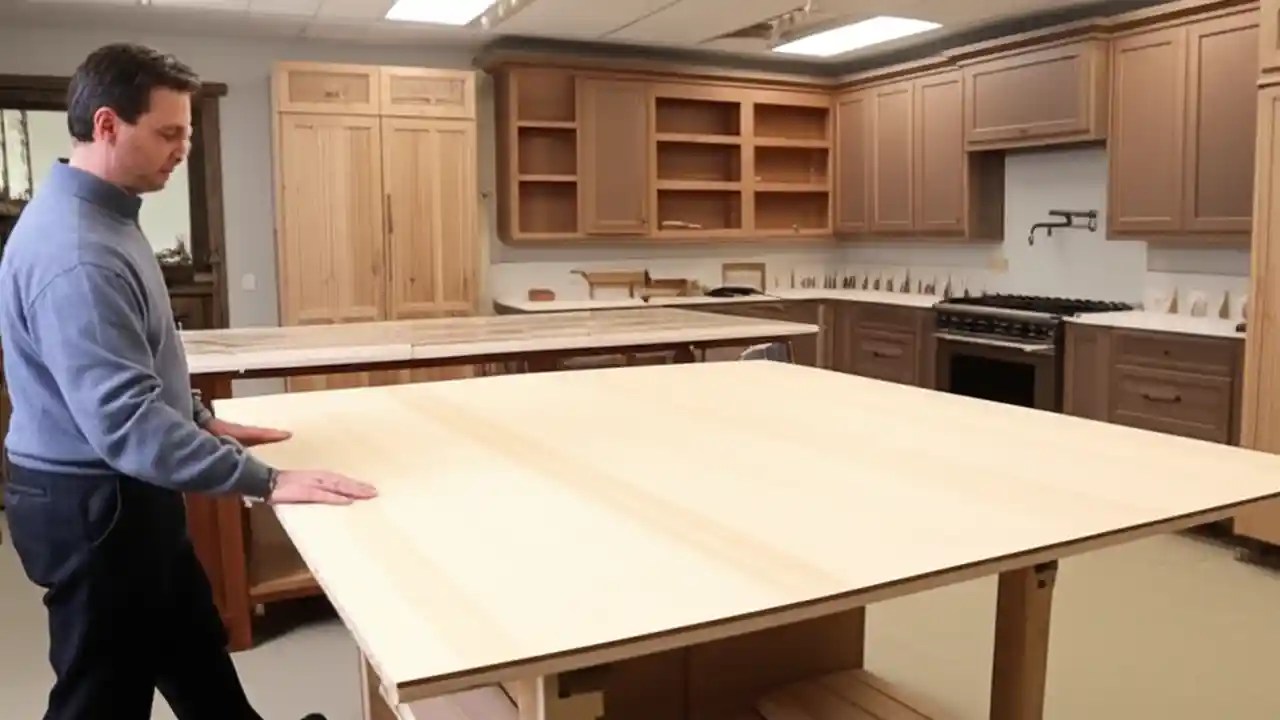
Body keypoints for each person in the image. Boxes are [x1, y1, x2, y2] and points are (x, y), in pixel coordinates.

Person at [0, 43, 377, 720]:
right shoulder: (77, 252)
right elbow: (127, 424)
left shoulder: (107, 214)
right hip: (96, 504)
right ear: (109, 125)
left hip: (125, 492)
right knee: (101, 696)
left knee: (193, 651)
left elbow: (133, 364)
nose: (183, 151)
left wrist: (197, 416)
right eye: (168, 134)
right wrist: (264, 480)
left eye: (188, 135)